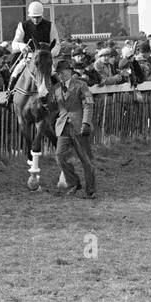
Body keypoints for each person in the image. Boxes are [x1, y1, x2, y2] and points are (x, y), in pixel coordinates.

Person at [52, 55, 96, 198]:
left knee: (86, 160)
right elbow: (53, 106)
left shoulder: (81, 85)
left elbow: (88, 104)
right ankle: (74, 184)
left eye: (63, 72)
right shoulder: (56, 88)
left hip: (79, 126)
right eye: (58, 73)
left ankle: (90, 190)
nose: (60, 75)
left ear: (70, 71)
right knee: (59, 156)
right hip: (63, 126)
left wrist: (86, 123)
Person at [5, 0, 63, 97]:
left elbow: (57, 44)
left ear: (42, 15)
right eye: (33, 17)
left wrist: (48, 54)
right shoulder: (23, 25)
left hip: (45, 58)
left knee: (53, 73)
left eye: (38, 17)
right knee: (16, 72)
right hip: (28, 57)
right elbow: (14, 44)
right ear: (29, 15)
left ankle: (61, 97)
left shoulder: (50, 25)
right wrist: (21, 46)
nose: (36, 20)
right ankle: (8, 95)